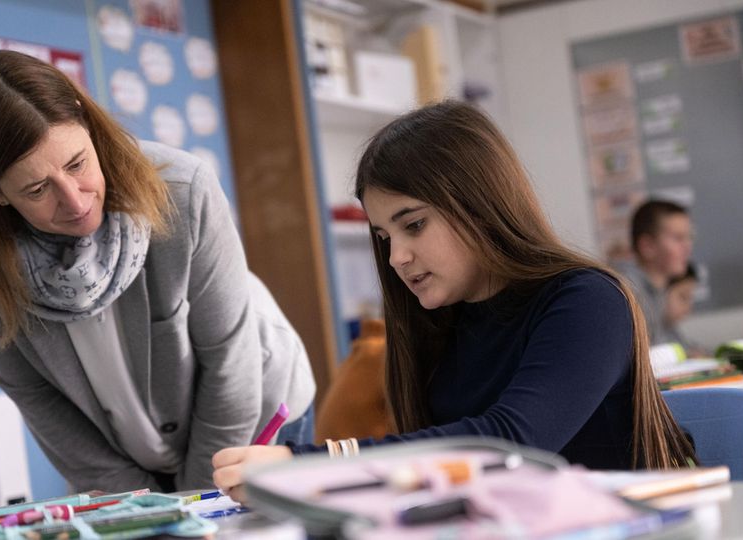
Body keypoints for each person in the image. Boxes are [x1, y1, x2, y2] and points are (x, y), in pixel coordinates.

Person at [212, 101, 696, 502]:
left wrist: (311, 467)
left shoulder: (589, 300)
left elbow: (512, 443)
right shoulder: (438, 323)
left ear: (479, 203)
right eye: (383, 236)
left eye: (414, 224)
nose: (398, 257)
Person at [0, 50, 315, 493]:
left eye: (77, 164)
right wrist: (141, 507)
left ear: (86, 123)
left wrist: (194, 505)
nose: (75, 201)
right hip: (127, 453)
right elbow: (35, 393)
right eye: (37, 189)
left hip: (250, 417)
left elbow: (230, 359)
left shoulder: (184, 190)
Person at [620, 200, 694, 345]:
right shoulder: (628, 291)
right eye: (678, 238)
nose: (688, 247)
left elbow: (675, 342)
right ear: (647, 246)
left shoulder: (658, 293)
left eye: (689, 238)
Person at [661, 262, 707, 357]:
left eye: (691, 299)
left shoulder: (670, 330)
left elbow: (692, 348)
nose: (688, 308)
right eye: (683, 297)